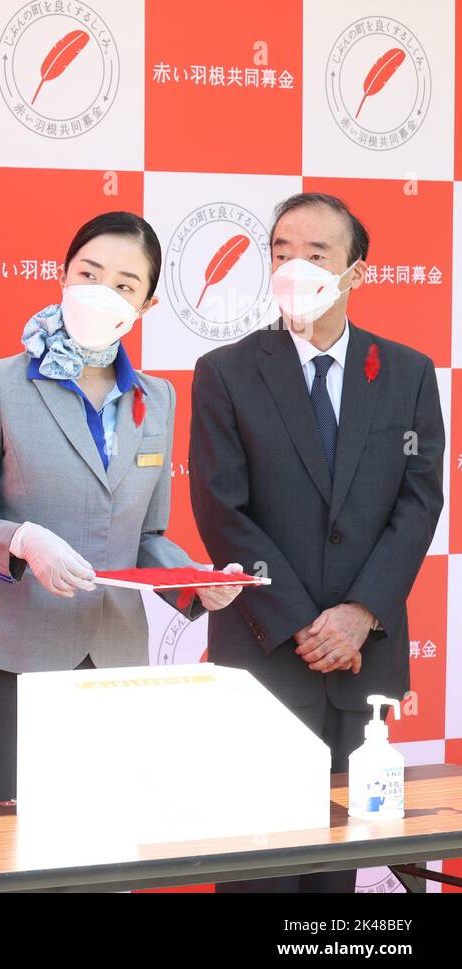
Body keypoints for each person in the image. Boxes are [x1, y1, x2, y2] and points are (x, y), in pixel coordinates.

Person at [190, 192, 444, 892]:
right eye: (279, 252)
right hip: (266, 656)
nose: (294, 266)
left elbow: (419, 500)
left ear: (356, 272)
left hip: (369, 672)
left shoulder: (408, 373)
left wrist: (361, 611)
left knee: (354, 884)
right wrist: (305, 622)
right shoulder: (226, 372)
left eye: (315, 253)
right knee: (259, 873)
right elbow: (221, 510)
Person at [0, 211, 243, 807]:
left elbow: (148, 534)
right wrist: (24, 540)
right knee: (0, 853)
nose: (102, 292)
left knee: (102, 850)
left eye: (124, 284)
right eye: (89, 272)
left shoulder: (156, 397)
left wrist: (195, 580)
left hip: (114, 661)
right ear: (61, 274)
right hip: (14, 656)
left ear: (147, 305)